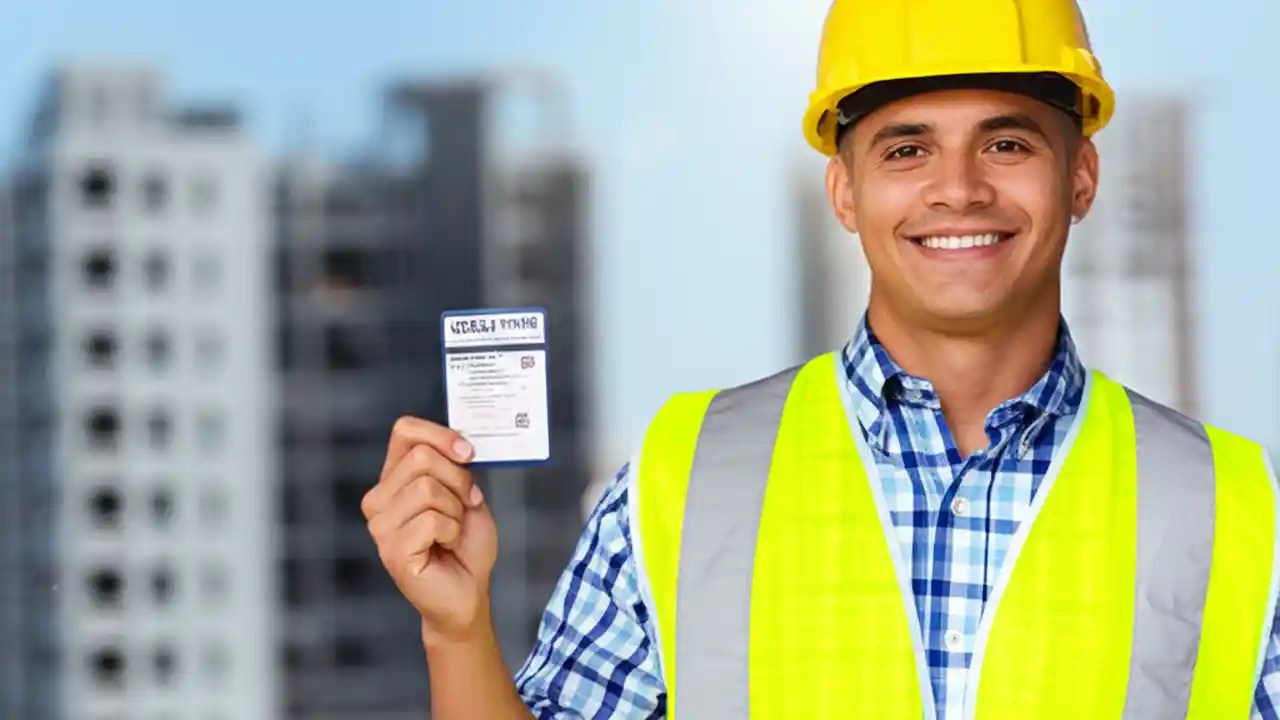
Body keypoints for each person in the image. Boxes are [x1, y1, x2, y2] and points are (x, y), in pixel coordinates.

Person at [362, 0, 1280, 717]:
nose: (958, 190)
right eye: (907, 149)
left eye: (1006, 143)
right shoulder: (686, 477)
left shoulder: (1234, 510)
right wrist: (456, 630)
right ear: (845, 190)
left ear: (1081, 176)